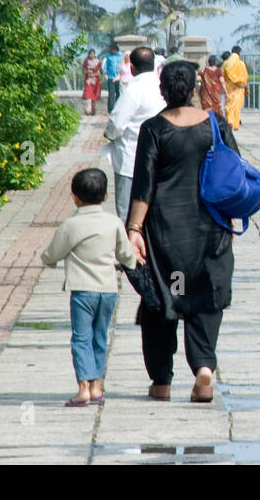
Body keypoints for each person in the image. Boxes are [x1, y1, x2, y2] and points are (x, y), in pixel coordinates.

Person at [125, 61, 241, 403]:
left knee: (162, 300)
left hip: (165, 232)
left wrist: (134, 229)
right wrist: (231, 220)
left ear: (163, 91)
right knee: (205, 298)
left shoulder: (153, 129)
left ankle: (161, 381)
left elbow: (144, 187)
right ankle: (204, 369)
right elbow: (233, 174)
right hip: (211, 229)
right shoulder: (216, 125)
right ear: (194, 88)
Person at [41, 168, 138, 407]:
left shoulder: (71, 225)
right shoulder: (114, 222)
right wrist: (134, 261)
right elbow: (126, 255)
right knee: (100, 336)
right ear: (106, 196)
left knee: (81, 338)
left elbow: (52, 254)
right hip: (108, 290)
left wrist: (50, 260)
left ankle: (83, 387)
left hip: (83, 291)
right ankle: (97, 386)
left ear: (74, 196)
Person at [104, 47, 166, 223]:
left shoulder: (134, 90)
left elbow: (116, 123)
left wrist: (109, 134)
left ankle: (129, 247)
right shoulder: (161, 87)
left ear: (131, 67)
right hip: (159, 157)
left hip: (131, 156)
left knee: (126, 212)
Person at [222, 45, 248, 130]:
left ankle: (229, 122)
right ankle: (235, 124)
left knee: (229, 106)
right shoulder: (241, 63)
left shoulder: (226, 63)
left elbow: (222, 75)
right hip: (239, 89)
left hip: (229, 88)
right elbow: (245, 77)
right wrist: (244, 86)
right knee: (236, 106)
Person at [102, 43, 122, 113]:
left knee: (118, 93)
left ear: (115, 49)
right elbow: (106, 67)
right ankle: (111, 109)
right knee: (111, 94)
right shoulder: (108, 57)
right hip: (111, 77)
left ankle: (118, 107)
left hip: (119, 77)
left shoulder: (121, 55)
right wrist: (105, 75)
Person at [81, 49, 102, 116]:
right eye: (91, 54)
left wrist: (94, 74)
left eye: (93, 53)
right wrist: (88, 72)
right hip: (88, 81)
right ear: (88, 54)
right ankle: (88, 110)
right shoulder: (86, 62)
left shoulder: (98, 62)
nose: (92, 55)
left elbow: (99, 73)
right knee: (88, 95)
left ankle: (93, 110)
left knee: (94, 96)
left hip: (95, 81)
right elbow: (83, 71)